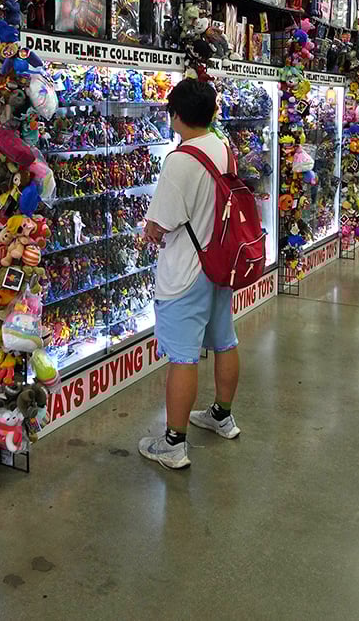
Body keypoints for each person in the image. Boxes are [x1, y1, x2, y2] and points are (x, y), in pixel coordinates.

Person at [138, 78, 240, 470]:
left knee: (182, 357)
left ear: (175, 116)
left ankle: (174, 443)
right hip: (220, 263)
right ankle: (222, 416)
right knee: (225, 341)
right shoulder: (222, 147)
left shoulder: (180, 160)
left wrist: (149, 230)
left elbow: (160, 223)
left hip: (186, 272)